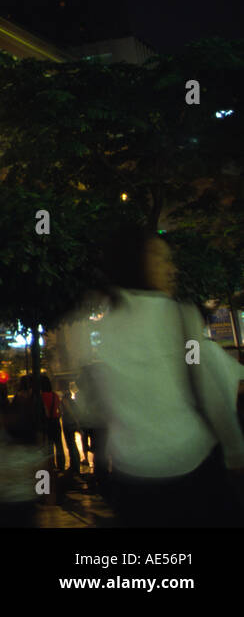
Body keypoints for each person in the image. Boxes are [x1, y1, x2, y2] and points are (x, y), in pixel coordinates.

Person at [85, 225, 244, 527]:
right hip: (191, 467)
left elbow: (98, 406)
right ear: (138, 264)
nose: (171, 268)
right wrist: (236, 452)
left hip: (133, 478)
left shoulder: (102, 328)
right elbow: (212, 392)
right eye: (161, 259)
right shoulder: (179, 315)